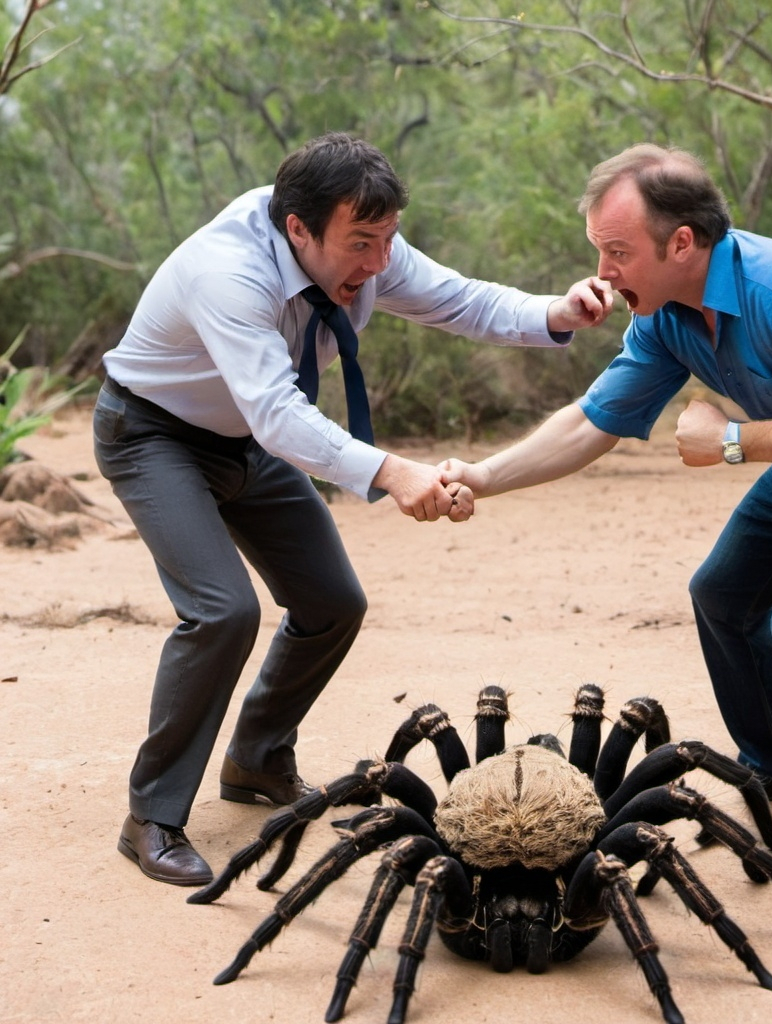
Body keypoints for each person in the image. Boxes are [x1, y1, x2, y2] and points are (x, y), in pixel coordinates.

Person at [441, 143, 772, 901]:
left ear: (682, 243)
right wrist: (483, 477)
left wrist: (731, 441)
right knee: (724, 592)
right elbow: (593, 421)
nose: (604, 272)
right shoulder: (664, 318)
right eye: (601, 250)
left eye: (618, 251)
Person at [94, 131, 613, 886]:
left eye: (388, 240)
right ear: (296, 228)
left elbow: (460, 299)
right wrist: (391, 470)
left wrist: (557, 312)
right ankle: (150, 816)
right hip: (154, 434)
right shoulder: (228, 272)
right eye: (362, 244)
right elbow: (276, 410)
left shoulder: (367, 244)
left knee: (332, 600)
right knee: (221, 610)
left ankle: (257, 758)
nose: (377, 264)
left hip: (250, 441)